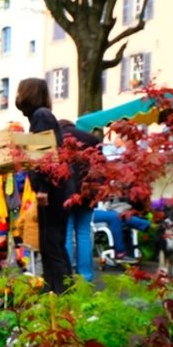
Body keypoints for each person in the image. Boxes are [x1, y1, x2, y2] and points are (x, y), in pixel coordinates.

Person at [16, 78, 71, 293]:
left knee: (51, 244)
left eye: (20, 92)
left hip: (52, 191)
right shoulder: (40, 117)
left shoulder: (40, 116)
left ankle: (59, 293)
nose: (18, 97)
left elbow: (46, 154)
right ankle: (56, 291)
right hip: (54, 189)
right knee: (50, 243)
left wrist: (43, 188)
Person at [59, 119, 102, 282]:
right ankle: (86, 277)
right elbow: (101, 169)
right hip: (88, 192)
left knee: (67, 234)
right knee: (84, 233)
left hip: (65, 194)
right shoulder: (91, 139)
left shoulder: (57, 138)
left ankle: (68, 277)